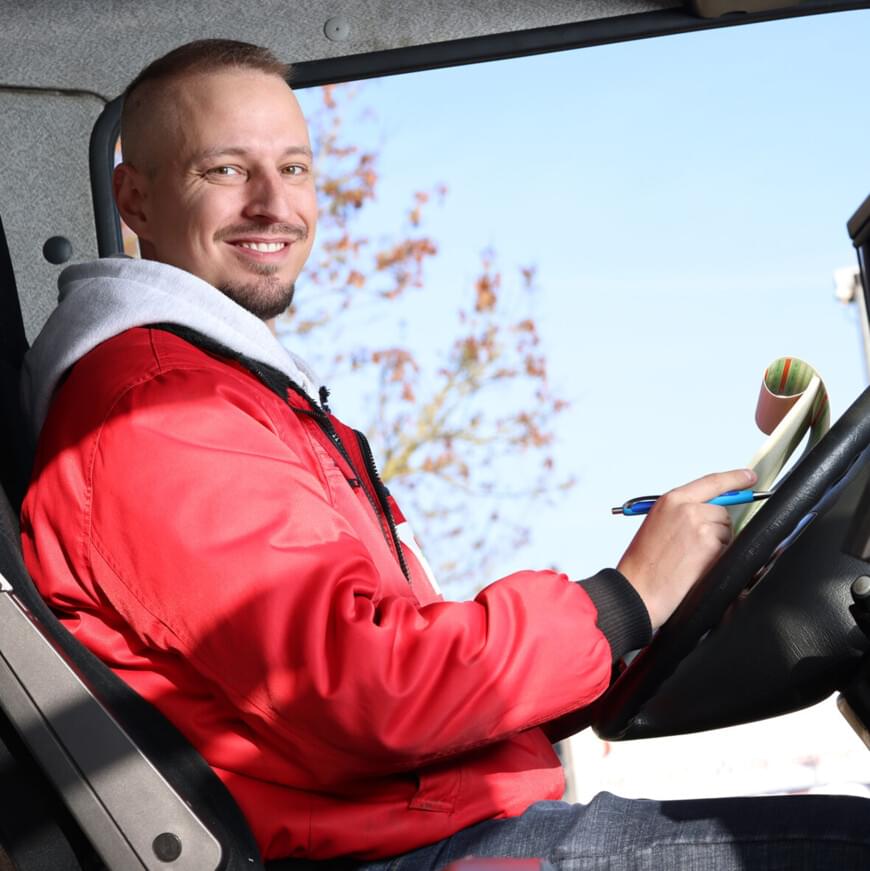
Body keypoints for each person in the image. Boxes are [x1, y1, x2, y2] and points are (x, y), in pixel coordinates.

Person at [18, 39, 870, 869]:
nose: (275, 204)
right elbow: (365, 689)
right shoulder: (161, 410)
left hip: (427, 821)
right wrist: (621, 600)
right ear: (133, 198)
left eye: (297, 167)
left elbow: (403, 678)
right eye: (227, 169)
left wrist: (652, 618)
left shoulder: (235, 393)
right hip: (396, 848)